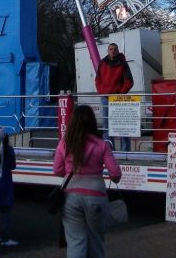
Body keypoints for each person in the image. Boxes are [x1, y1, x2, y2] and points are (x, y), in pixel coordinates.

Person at [52, 104, 121, 258]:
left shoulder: (64, 143)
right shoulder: (101, 145)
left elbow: (57, 170)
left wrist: (71, 171)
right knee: (96, 241)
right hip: (96, 195)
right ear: (92, 122)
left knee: (76, 241)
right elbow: (115, 174)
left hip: (70, 196)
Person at [94, 42, 134, 150]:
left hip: (118, 99)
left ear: (118, 50)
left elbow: (129, 81)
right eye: (111, 49)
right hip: (105, 98)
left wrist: (120, 94)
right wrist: (102, 91)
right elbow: (97, 79)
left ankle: (126, 152)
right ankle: (109, 152)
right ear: (108, 51)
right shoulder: (102, 63)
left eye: (115, 49)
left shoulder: (123, 63)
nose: (113, 51)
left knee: (122, 127)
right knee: (107, 127)